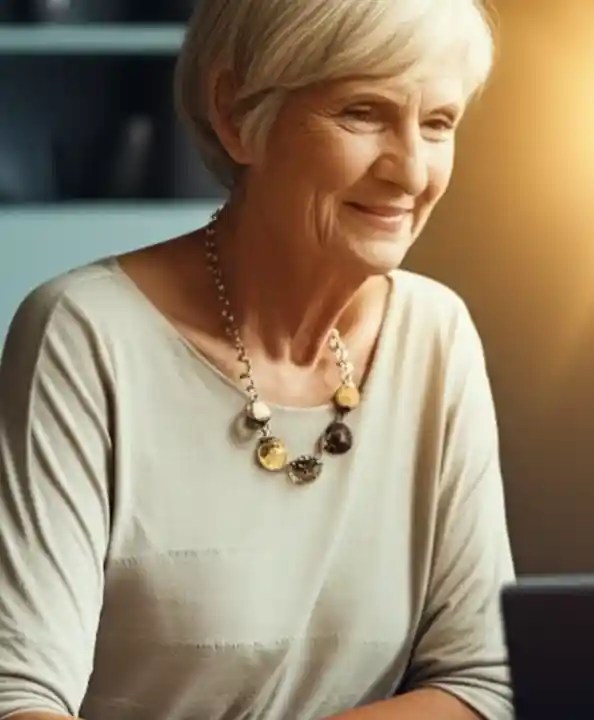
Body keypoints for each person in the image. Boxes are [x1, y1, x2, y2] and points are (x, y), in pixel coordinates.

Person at [0, 0, 514, 718]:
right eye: (363, 112)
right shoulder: (84, 335)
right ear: (237, 114)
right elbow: (19, 696)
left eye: (438, 124)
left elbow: (480, 682)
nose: (410, 172)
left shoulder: (435, 333)